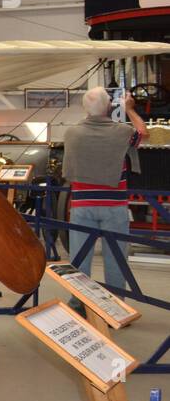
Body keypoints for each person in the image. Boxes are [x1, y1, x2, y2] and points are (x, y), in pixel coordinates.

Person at [62, 88, 148, 303]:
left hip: (82, 204)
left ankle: (79, 302)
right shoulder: (122, 132)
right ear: (110, 107)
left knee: (80, 258)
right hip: (114, 204)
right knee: (116, 257)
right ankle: (116, 303)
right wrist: (130, 109)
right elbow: (144, 133)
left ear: (84, 108)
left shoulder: (72, 133)